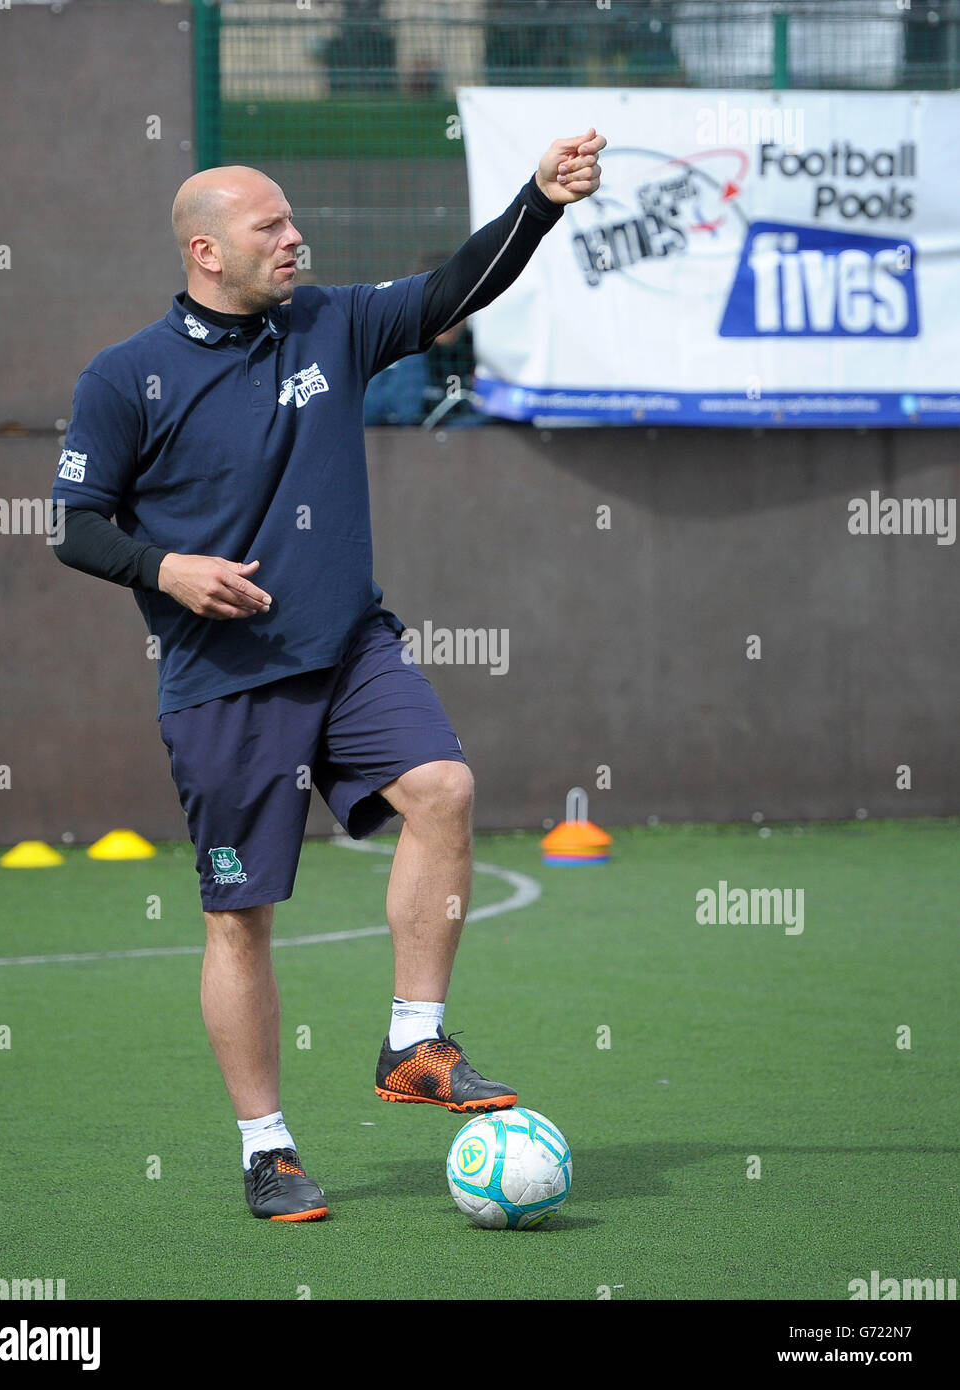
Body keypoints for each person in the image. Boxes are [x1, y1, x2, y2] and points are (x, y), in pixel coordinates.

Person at [51, 128, 606, 1222]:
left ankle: (413, 1041)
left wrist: (538, 201)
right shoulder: (125, 376)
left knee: (442, 787)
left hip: (350, 645)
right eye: (271, 227)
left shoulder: (333, 324)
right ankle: (268, 1148)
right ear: (206, 251)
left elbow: (458, 283)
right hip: (222, 682)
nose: (295, 239)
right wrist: (167, 566)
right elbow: (74, 526)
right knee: (240, 917)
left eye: (294, 221)